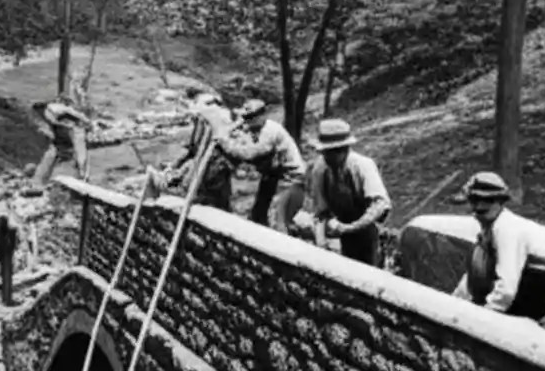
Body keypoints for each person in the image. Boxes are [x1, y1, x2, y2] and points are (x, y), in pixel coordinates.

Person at [452, 172, 545, 321]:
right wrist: (454, 304)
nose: (477, 210)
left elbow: (506, 290)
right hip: (533, 277)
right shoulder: (488, 230)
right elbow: (473, 276)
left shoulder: (507, 230)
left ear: (499, 202)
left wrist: (482, 319)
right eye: (474, 203)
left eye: (484, 206)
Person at [302, 119, 391, 265]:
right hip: (342, 231)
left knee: (370, 270)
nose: (329, 157)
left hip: (367, 230)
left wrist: (352, 227)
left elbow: (380, 203)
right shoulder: (320, 169)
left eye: (334, 152)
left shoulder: (362, 166)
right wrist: (322, 238)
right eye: (326, 153)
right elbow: (320, 211)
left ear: (345, 150)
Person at [215, 99, 306, 227]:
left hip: (289, 179)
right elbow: (242, 138)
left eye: (251, 117)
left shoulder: (270, 131)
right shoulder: (256, 129)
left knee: (278, 219)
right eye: (246, 117)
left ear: (262, 115)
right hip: (272, 176)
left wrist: (225, 142)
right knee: (258, 215)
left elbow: (249, 154)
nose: (248, 120)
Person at [154, 90, 240, 210]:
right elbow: (192, 148)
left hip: (214, 163)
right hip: (205, 161)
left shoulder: (214, 117)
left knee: (215, 196)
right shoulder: (201, 121)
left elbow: (207, 149)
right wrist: (175, 166)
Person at [31, 96, 92, 185]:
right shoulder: (51, 111)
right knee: (55, 153)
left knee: (80, 155)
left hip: (75, 128)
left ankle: (83, 177)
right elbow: (55, 125)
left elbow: (68, 115)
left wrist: (84, 122)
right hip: (67, 129)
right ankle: (42, 181)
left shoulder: (51, 111)